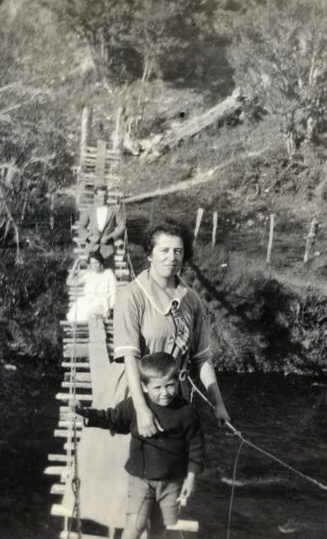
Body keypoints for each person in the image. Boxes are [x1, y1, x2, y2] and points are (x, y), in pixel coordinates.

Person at [113, 220, 231, 439]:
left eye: (178, 251)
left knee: (177, 463)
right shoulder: (131, 296)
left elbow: (203, 359)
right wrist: (142, 411)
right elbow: (129, 358)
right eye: (164, 250)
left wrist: (218, 404)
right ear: (150, 255)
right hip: (143, 396)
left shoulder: (191, 299)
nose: (172, 257)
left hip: (177, 399)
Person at [71, 353, 203, 539]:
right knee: (135, 525)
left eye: (170, 385)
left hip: (172, 481)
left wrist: (191, 478)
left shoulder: (187, 411)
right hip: (141, 478)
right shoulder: (136, 406)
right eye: (157, 387)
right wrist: (86, 413)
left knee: (161, 527)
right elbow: (112, 418)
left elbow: (196, 446)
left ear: (177, 381)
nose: (165, 393)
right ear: (144, 387)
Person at [66, 251, 117, 322]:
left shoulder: (108, 273)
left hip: (102, 304)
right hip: (88, 302)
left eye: (97, 263)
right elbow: (70, 282)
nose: (95, 265)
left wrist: (111, 309)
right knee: (75, 314)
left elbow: (113, 293)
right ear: (90, 265)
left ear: (101, 263)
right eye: (93, 263)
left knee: (89, 314)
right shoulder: (89, 274)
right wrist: (75, 264)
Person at [79, 190, 126, 261]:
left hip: (108, 250)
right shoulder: (90, 209)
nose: (103, 198)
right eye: (101, 196)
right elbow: (81, 227)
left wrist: (110, 238)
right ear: (96, 196)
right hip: (92, 248)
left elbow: (122, 226)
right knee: (92, 271)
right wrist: (89, 238)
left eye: (105, 196)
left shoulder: (115, 209)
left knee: (108, 271)